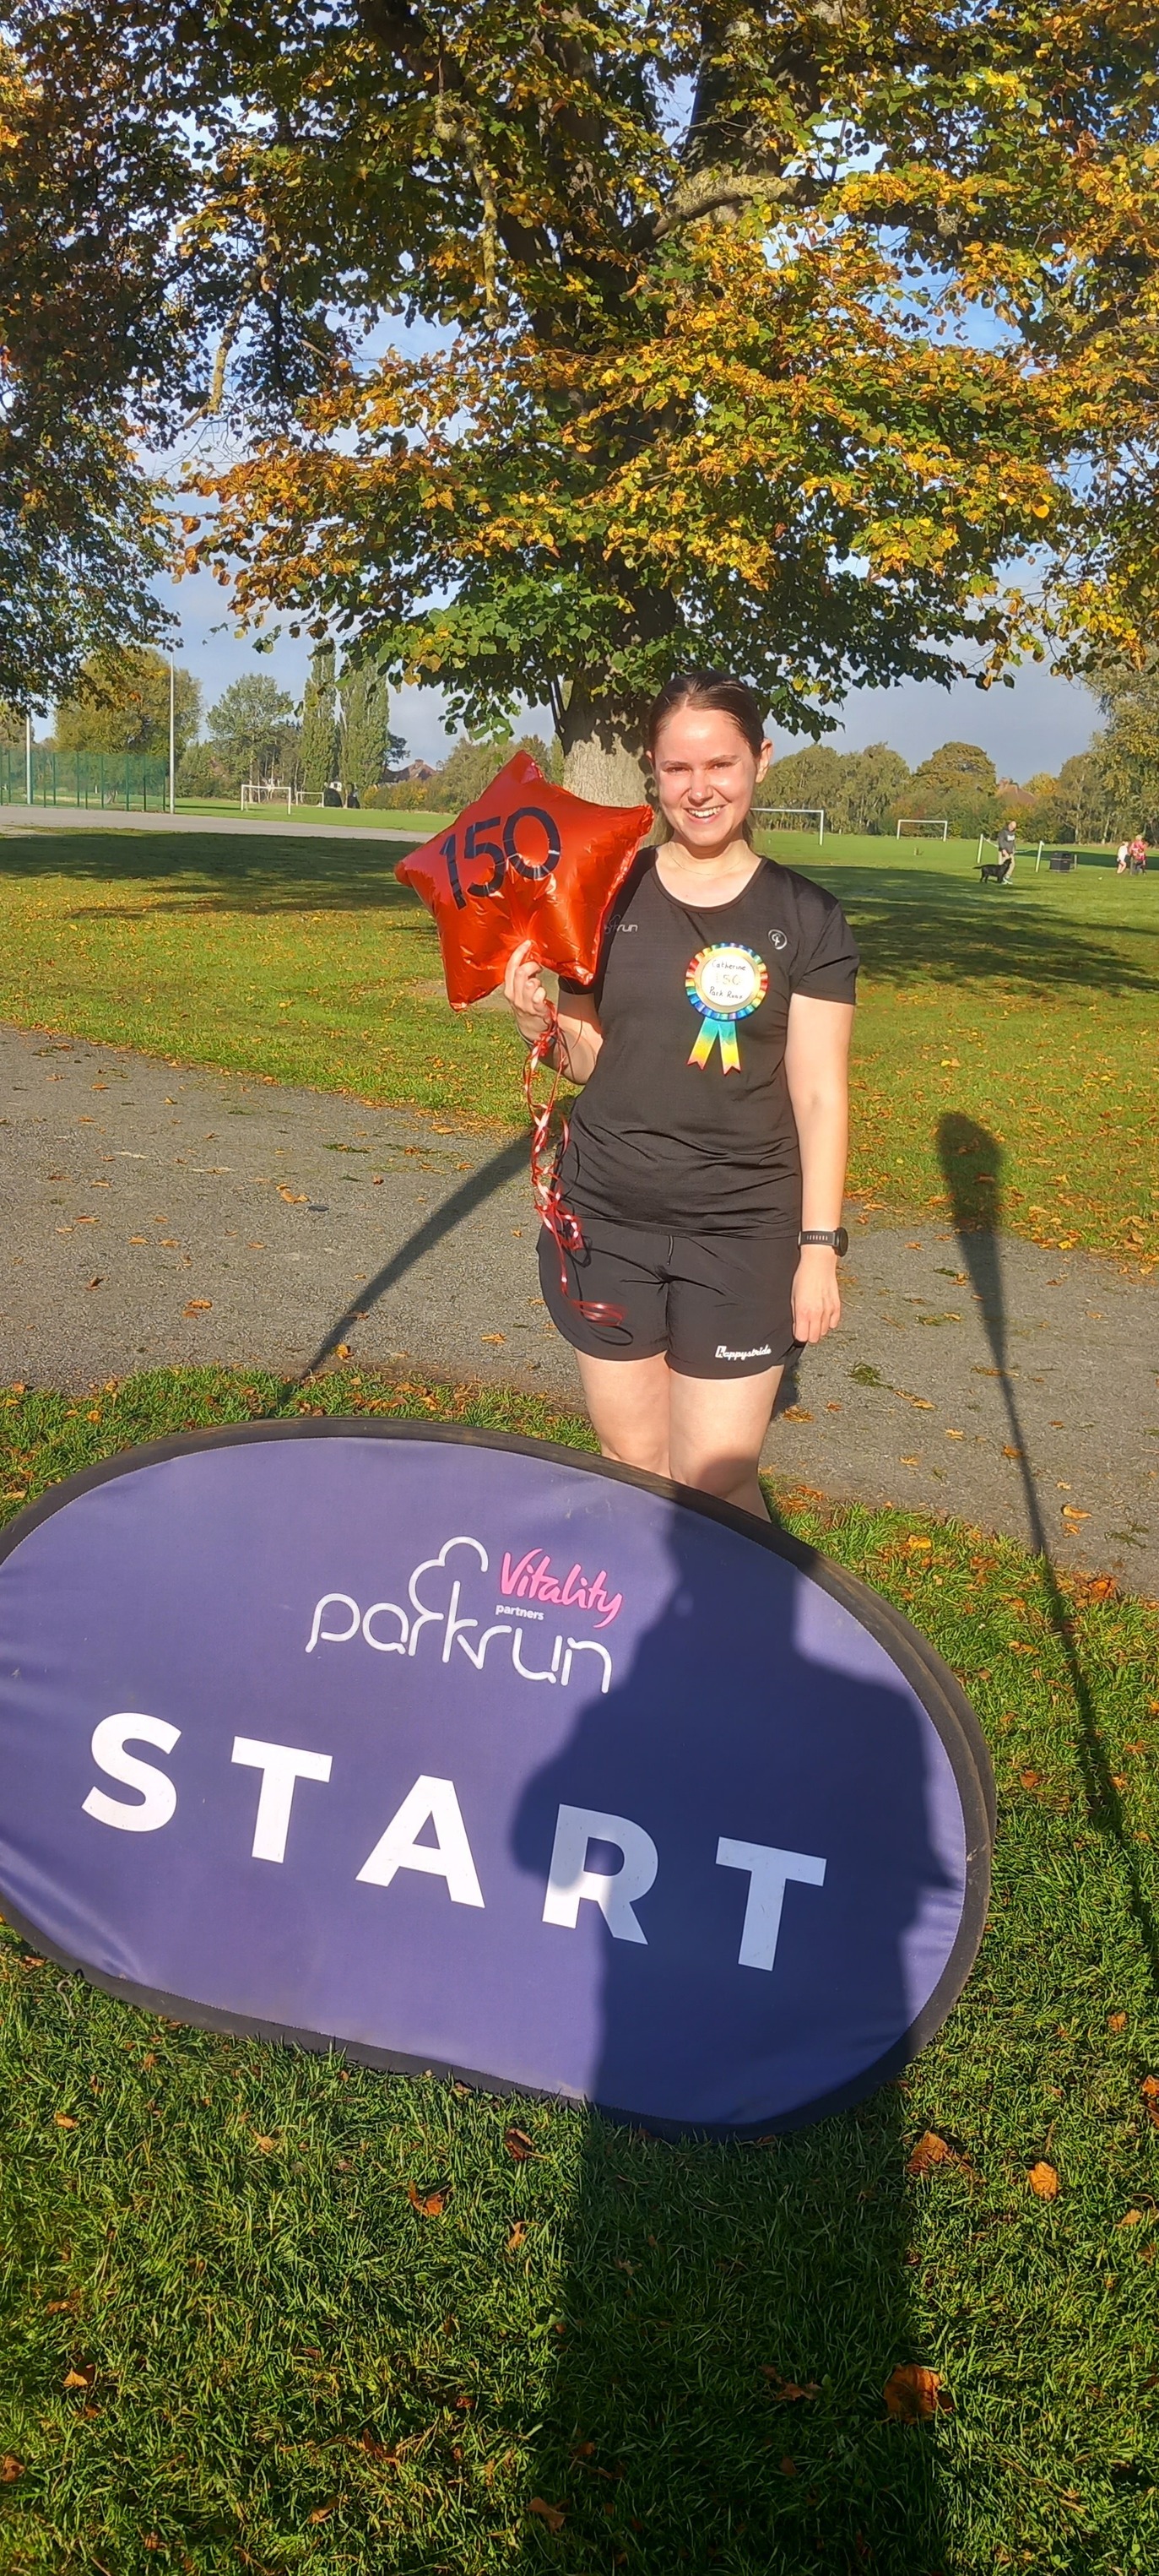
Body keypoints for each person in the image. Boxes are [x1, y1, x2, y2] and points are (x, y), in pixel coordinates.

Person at [503, 670, 858, 1520]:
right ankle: (645, 1641)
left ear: (760, 761)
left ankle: (750, 1647)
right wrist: (538, 1030)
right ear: (651, 773)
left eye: (720, 764)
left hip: (742, 1232)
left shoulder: (807, 919)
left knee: (713, 1476)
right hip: (608, 1221)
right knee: (631, 1460)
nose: (698, 790)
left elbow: (818, 1094)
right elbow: (588, 1056)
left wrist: (817, 1248)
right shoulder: (602, 891)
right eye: (675, 770)